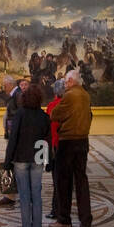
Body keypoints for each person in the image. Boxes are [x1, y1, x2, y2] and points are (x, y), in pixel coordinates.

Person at [3, 83, 51, 227]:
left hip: (21, 159)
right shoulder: (44, 117)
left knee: (24, 197)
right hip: (37, 158)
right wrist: (47, 161)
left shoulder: (20, 114)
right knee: (36, 197)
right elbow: (46, 140)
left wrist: (8, 160)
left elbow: (13, 138)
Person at [49, 69, 93, 227]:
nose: (65, 84)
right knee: (81, 180)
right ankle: (86, 220)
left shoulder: (70, 95)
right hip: (83, 141)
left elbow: (55, 114)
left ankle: (64, 219)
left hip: (68, 142)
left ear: (72, 81)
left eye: (66, 81)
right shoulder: (85, 95)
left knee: (63, 182)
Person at [0, 75, 22, 206]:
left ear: (10, 84)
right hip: (12, 136)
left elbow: (18, 115)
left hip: (15, 137)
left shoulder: (17, 95)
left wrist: (13, 133)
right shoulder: (16, 95)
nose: (3, 88)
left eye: (4, 85)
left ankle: (11, 196)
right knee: (11, 164)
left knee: (11, 163)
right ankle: (10, 194)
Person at [45, 78, 65, 219]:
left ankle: (56, 210)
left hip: (55, 145)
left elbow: (47, 128)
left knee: (57, 180)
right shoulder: (71, 104)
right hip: (69, 143)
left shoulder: (52, 105)